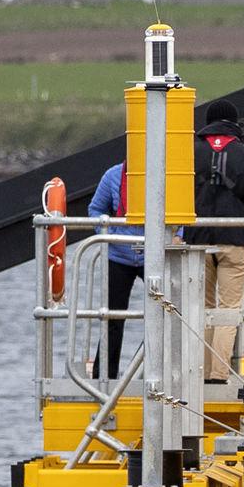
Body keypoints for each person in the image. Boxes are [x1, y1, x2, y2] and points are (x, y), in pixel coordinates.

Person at [190, 100, 244, 381]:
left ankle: (199, 372)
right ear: (234, 123)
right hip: (235, 241)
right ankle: (218, 374)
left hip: (197, 241)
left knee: (200, 308)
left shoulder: (191, 151)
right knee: (228, 309)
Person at [87, 155, 144, 375]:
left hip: (155, 255)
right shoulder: (112, 175)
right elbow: (96, 209)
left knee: (163, 315)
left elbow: (180, 211)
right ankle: (104, 374)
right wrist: (110, 235)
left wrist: (176, 236)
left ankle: (149, 369)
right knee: (111, 317)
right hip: (119, 255)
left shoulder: (164, 175)